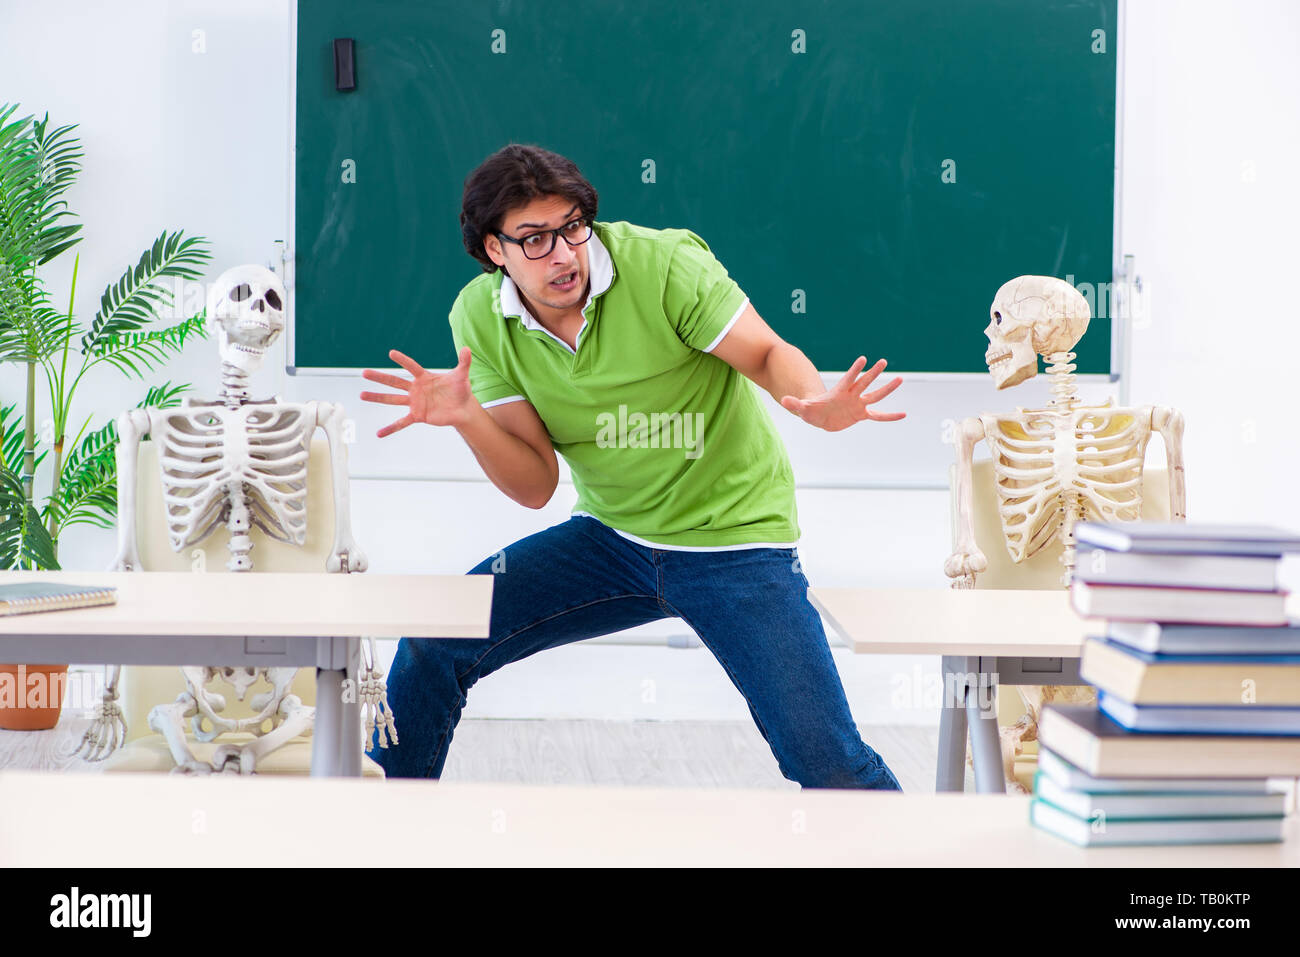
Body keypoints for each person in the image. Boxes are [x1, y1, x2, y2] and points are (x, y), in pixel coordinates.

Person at [359, 143, 907, 789]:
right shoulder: (479, 315)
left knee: (825, 758)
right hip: (611, 538)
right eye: (534, 239)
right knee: (433, 642)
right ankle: (384, 827)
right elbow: (535, 486)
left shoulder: (663, 264)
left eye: (571, 227)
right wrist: (470, 418)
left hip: (736, 541)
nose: (563, 253)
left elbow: (764, 354)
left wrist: (814, 402)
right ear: (492, 249)